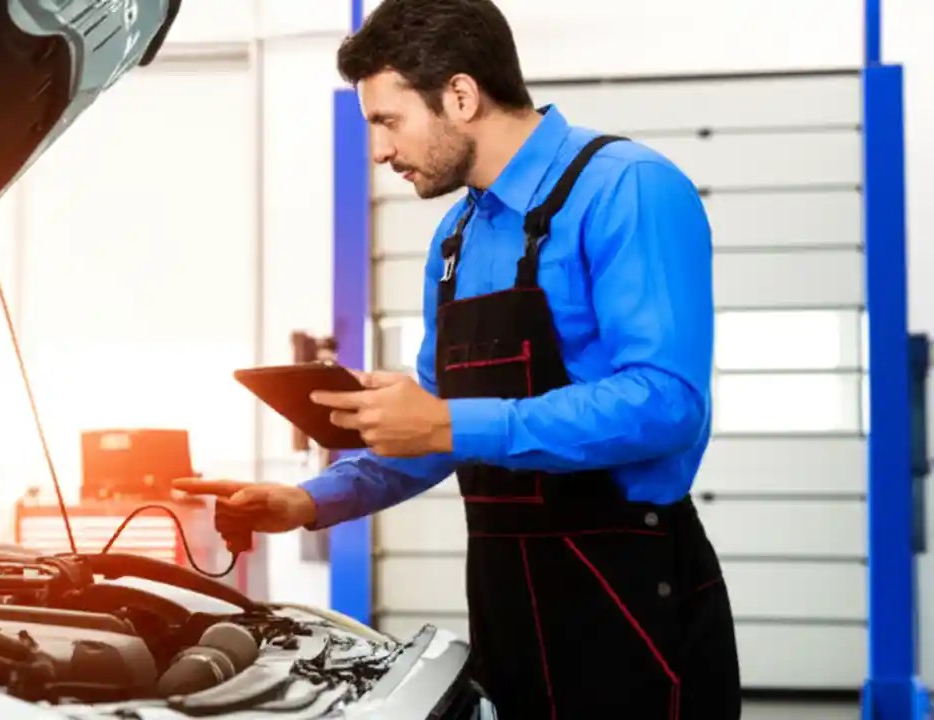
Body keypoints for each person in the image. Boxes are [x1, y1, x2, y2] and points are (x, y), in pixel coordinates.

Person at [174, 0, 741, 717]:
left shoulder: (625, 187)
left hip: (631, 605)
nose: (378, 151)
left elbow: (666, 403)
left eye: (387, 120)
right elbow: (432, 431)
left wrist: (448, 423)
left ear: (461, 96)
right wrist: (308, 501)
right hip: (506, 602)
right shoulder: (456, 238)